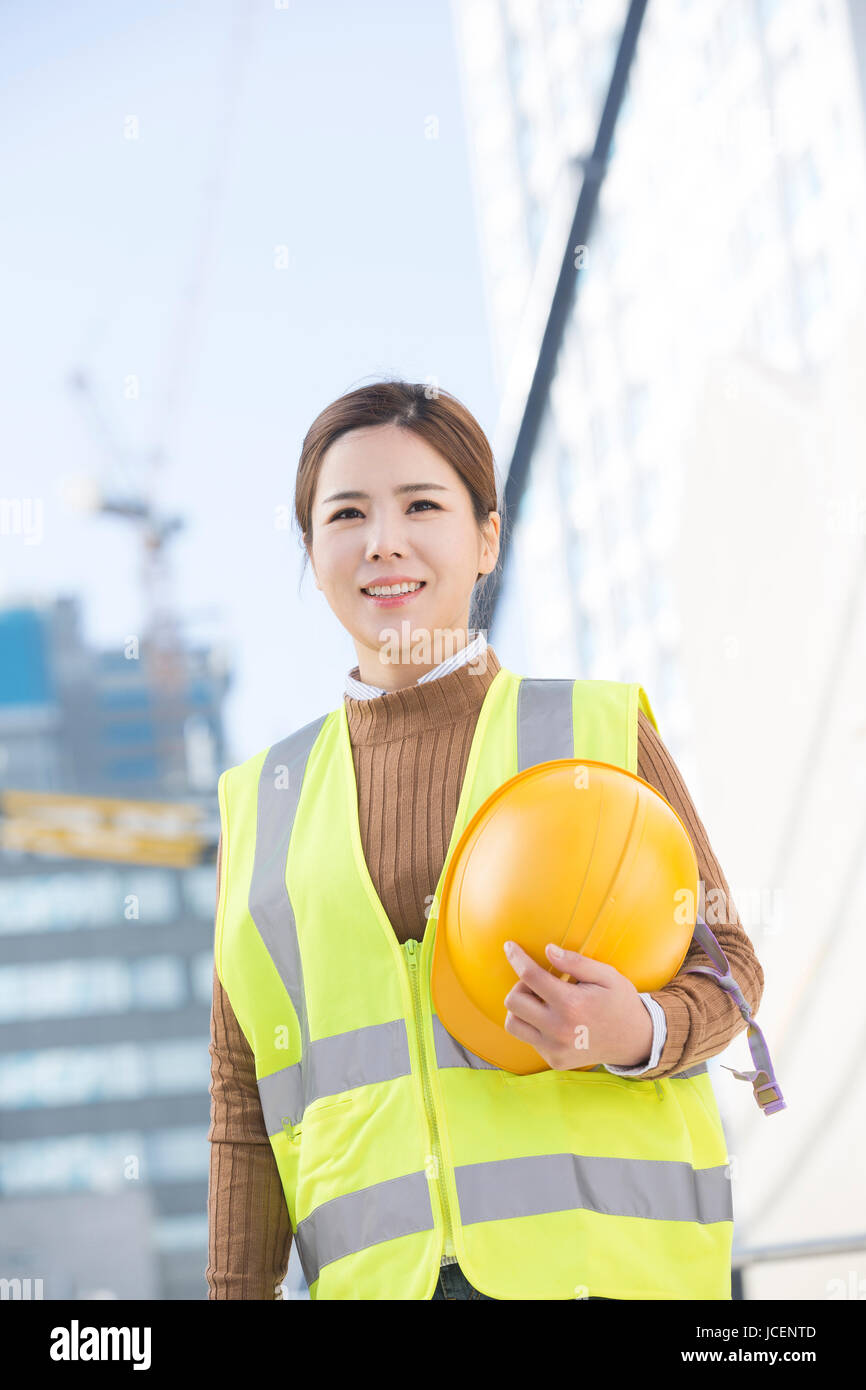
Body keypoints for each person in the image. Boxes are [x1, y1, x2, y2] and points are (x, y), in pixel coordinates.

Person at [206, 379, 765, 1301]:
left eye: (421, 505)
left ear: (487, 539)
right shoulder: (260, 801)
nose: (383, 539)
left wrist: (637, 1029)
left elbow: (731, 964)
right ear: (313, 552)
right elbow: (241, 1101)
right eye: (346, 514)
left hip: (601, 1277)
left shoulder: (596, 730)